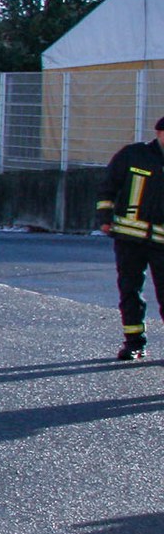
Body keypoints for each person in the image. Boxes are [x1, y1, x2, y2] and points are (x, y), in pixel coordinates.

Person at [98, 115, 164, 360]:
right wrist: (104, 218)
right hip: (130, 239)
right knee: (129, 290)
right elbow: (108, 187)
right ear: (158, 133)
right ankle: (134, 343)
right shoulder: (133, 155)